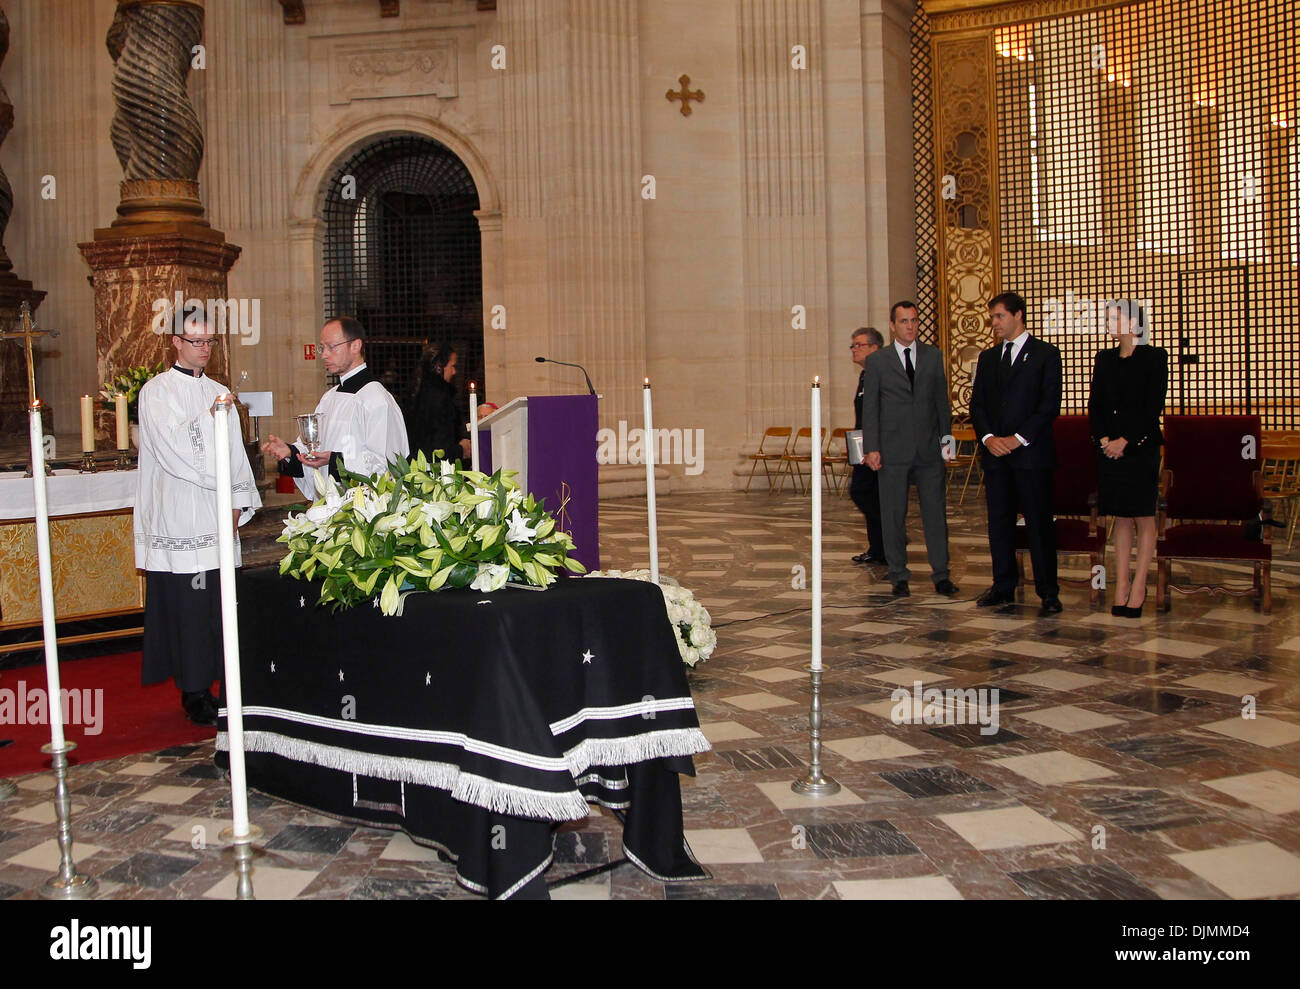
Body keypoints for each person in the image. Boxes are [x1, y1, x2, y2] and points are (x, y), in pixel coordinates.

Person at [134, 310, 261, 727]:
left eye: (209, 342)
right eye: (195, 341)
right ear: (174, 341)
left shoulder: (221, 391)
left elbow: (236, 455)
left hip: (215, 513)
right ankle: (194, 691)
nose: (204, 349)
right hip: (180, 514)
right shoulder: (156, 392)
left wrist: (238, 498)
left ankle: (228, 686)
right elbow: (173, 451)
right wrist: (210, 420)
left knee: (217, 606)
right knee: (188, 608)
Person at [969, 291, 1063, 616]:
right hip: (996, 456)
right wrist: (989, 437)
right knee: (999, 522)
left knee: (1038, 523)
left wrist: (1018, 438)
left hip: (1031, 455)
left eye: (999, 316)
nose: (994, 323)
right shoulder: (989, 358)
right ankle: (1003, 585)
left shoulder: (1046, 355)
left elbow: (1049, 406)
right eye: (992, 317)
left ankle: (1048, 591)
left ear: (1018, 315)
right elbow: (977, 405)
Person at [862, 301, 959, 599]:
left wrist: (947, 439)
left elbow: (942, 402)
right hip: (892, 449)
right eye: (904, 321)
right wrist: (872, 447)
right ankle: (899, 575)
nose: (910, 326)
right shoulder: (879, 361)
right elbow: (872, 407)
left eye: (914, 321)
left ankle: (941, 575)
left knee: (935, 514)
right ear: (892, 325)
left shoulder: (932, 356)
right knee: (893, 514)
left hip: (929, 448)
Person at [263, 317, 408, 499]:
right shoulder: (329, 398)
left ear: (355, 346)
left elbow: (386, 464)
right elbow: (313, 449)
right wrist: (290, 453)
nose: (324, 355)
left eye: (331, 347)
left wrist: (333, 461)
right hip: (330, 507)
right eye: (322, 348)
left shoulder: (377, 399)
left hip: (363, 511)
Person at [1088, 300, 1168, 618]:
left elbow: (1153, 405)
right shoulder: (1104, 358)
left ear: (1134, 323)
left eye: (1114, 318)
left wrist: (1126, 440)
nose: (1109, 322)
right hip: (1110, 450)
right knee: (1120, 517)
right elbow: (1096, 404)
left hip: (1141, 448)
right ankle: (1121, 585)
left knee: (1142, 515)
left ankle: (1139, 586)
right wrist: (1105, 439)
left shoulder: (1153, 357)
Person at [848, 327, 886, 565]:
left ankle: (889, 540)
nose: (853, 350)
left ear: (875, 348)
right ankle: (879, 546)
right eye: (852, 345)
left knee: (867, 493)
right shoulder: (865, 375)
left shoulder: (882, 374)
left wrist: (875, 447)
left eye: (858, 345)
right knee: (866, 493)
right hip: (865, 447)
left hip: (878, 449)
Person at [406, 343, 472, 464]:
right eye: (452, 366)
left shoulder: (415, 393)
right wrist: (461, 449)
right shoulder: (440, 399)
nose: (454, 372)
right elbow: (438, 451)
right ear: (439, 367)